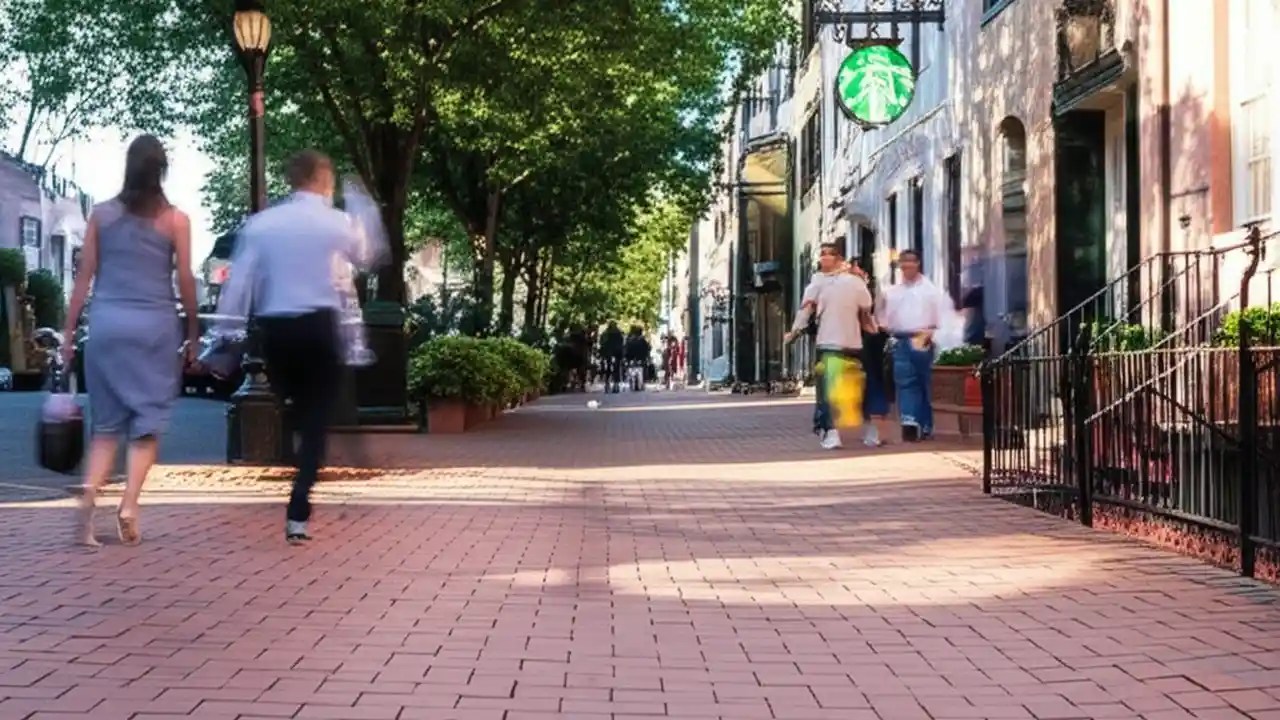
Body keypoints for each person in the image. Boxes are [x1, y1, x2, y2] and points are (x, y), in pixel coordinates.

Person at [217, 150, 369, 544]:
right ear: (322, 178)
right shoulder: (336, 221)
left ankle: (301, 428)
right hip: (320, 327)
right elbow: (368, 255)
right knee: (317, 418)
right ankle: (298, 508)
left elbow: (239, 283)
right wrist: (360, 206)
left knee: (296, 408)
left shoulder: (264, 224)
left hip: (277, 329)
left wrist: (226, 334)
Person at [61, 135, 201, 547]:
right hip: (154, 328)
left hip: (106, 326)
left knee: (105, 426)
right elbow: (186, 280)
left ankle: (89, 495)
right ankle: (129, 506)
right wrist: (193, 332)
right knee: (146, 425)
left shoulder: (101, 216)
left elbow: (83, 278)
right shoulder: (176, 220)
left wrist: (69, 335)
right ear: (162, 171)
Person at [785, 242, 873, 450]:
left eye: (828, 255)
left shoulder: (818, 282)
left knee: (828, 391)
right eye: (822, 255)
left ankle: (831, 431)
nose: (824, 258)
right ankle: (863, 429)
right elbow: (867, 305)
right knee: (856, 387)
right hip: (851, 343)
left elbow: (805, 310)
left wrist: (794, 332)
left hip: (832, 344)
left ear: (838, 258)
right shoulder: (853, 281)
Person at [878, 249, 954, 441]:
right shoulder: (892, 293)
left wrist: (933, 333)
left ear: (918, 264)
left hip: (923, 336)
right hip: (901, 338)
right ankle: (910, 422)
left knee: (924, 381)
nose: (907, 267)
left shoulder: (931, 291)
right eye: (904, 263)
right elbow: (882, 318)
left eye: (911, 262)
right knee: (906, 381)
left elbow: (942, 316)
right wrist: (886, 328)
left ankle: (925, 423)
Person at [850, 263, 890, 447]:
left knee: (872, 382)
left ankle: (875, 430)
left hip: (868, 341)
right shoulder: (849, 291)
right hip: (855, 341)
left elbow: (875, 318)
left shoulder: (870, 293)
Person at [599, 321, 625, 393]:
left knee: (608, 367)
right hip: (617, 352)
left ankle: (607, 383)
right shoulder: (619, 332)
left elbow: (601, 342)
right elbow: (622, 343)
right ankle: (615, 384)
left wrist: (602, 352)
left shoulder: (605, 333)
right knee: (617, 368)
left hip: (608, 352)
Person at [624, 325, 650, 391]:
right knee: (643, 369)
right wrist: (647, 356)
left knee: (631, 370)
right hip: (640, 358)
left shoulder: (630, 339)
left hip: (632, 358)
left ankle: (632, 383)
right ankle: (642, 384)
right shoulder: (642, 340)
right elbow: (647, 348)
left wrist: (626, 358)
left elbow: (626, 349)